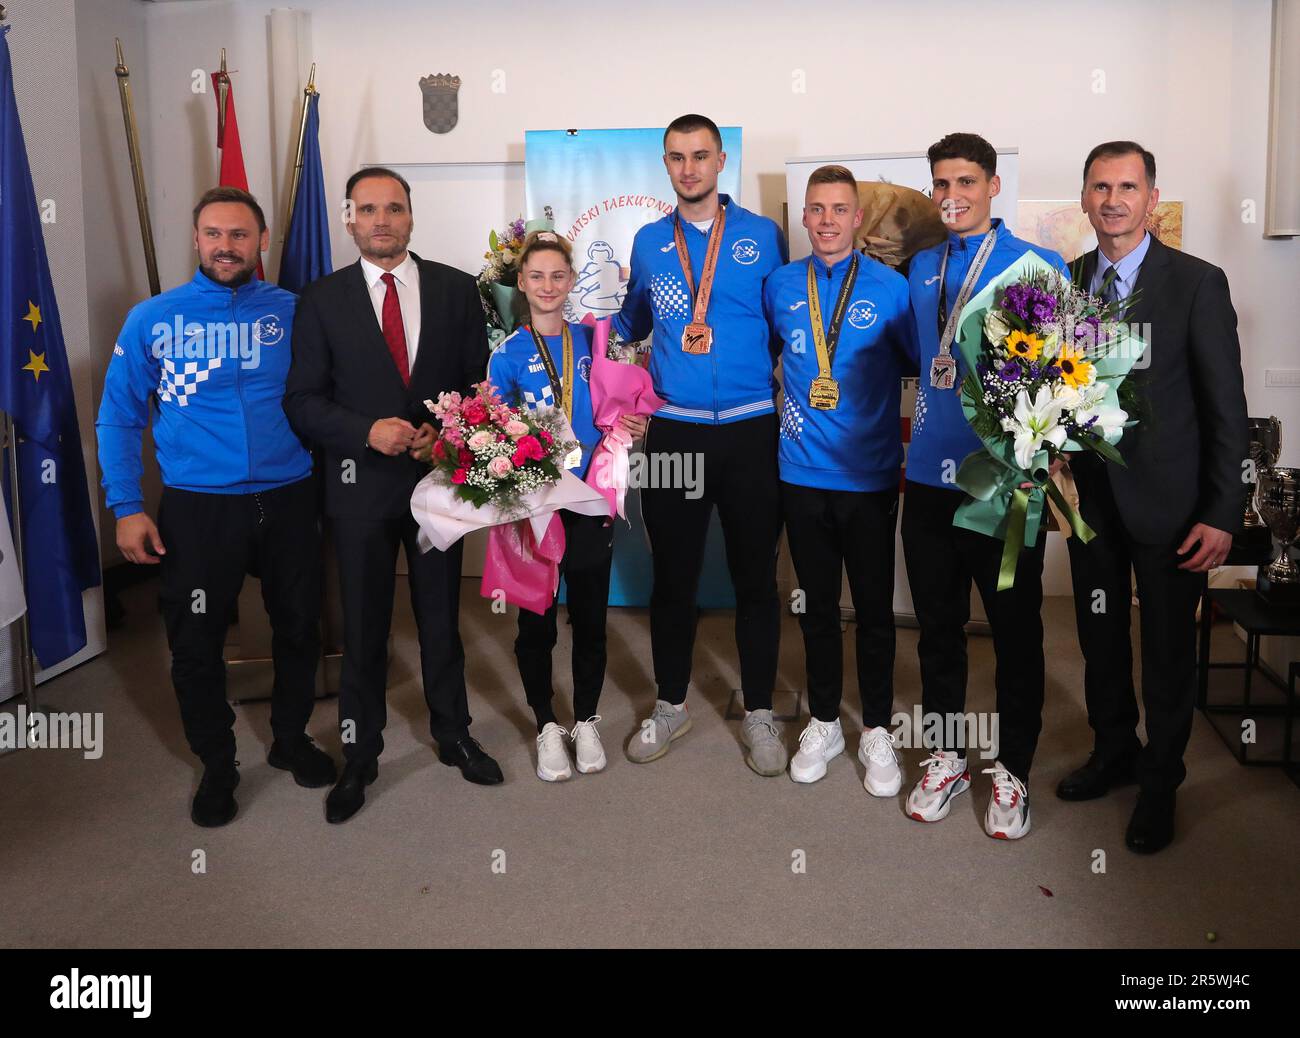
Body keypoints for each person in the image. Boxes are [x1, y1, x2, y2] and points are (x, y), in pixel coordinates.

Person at [97, 186, 333, 828]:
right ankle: (219, 764)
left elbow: (332, 400)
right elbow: (118, 418)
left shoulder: (297, 312)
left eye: (239, 235)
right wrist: (126, 505)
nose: (226, 246)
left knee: (298, 626)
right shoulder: (154, 319)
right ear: (196, 240)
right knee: (196, 643)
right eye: (213, 234)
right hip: (200, 510)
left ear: (260, 243)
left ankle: (289, 739)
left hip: (289, 498)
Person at [283, 166, 502, 824]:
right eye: (368, 209)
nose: (382, 219)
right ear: (349, 219)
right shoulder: (320, 300)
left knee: (440, 618)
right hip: (358, 488)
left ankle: (454, 734)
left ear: (411, 216)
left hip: (436, 481)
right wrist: (365, 431)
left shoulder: (457, 289)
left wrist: (447, 427)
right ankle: (361, 752)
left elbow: (476, 381)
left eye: (394, 208)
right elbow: (301, 400)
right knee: (366, 626)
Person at [1057, 141, 1248, 854]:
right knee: (1099, 639)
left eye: (1127, 187)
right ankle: (1115, 753)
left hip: (1171, 507)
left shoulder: (1197, 283)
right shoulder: (1065, 283)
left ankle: (1161, 780)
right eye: (1100, 187)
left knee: (1166, 652)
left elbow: (1227, 408)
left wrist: (1222, 511)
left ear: (1151, 198)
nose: (1113, 200)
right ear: (1083, 199)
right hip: (1089, 504)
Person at [902, 133, 1068, 839]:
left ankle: (1014, 768)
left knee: (1014, 632)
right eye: (942, 183)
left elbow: (1069, 376)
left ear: (994, 186)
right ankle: (945, 753)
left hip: (1001, 483)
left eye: (966, 181)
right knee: (937, 630)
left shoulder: (1039, 265)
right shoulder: (919, 267)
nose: (952, 196)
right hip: (926, 477)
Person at [613, 113, 789, 775]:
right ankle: (671, 703)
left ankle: (762, 711)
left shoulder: (762, 237)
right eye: (676, 157)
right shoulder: (649, 242)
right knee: (674, 577)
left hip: (749, 427)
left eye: (700, 156)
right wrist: (626, 400)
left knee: (755, 578)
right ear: (666, 164)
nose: (688, 168)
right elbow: (631, 326)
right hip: (676, 431)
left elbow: (783, 328)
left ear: (721, 162)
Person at [763, 165, 916, 792]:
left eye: (839, 209)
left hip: (871, 476)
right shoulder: (778, 284)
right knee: (817, 607)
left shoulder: (893, 289)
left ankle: (877, 727)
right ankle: (825, 719)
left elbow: (915, 364)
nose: (826, 220)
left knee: (875, 609)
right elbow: (764, 357)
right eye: (816, 209)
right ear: (804, 217)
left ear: (858, 218)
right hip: (800, 474)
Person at [486, 231, 647, 781]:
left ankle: (586, 719)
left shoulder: (593, 342)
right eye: (536, 276)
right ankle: (545, 725)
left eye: (558, 275)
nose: (548, 286)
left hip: (588, 499)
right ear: (521, 283)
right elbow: (491, 436)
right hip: (533, 504)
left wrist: (633, 422)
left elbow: (617, 411)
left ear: (572, 281)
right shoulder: (506, 355)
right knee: (536, 622)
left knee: (590, 616)